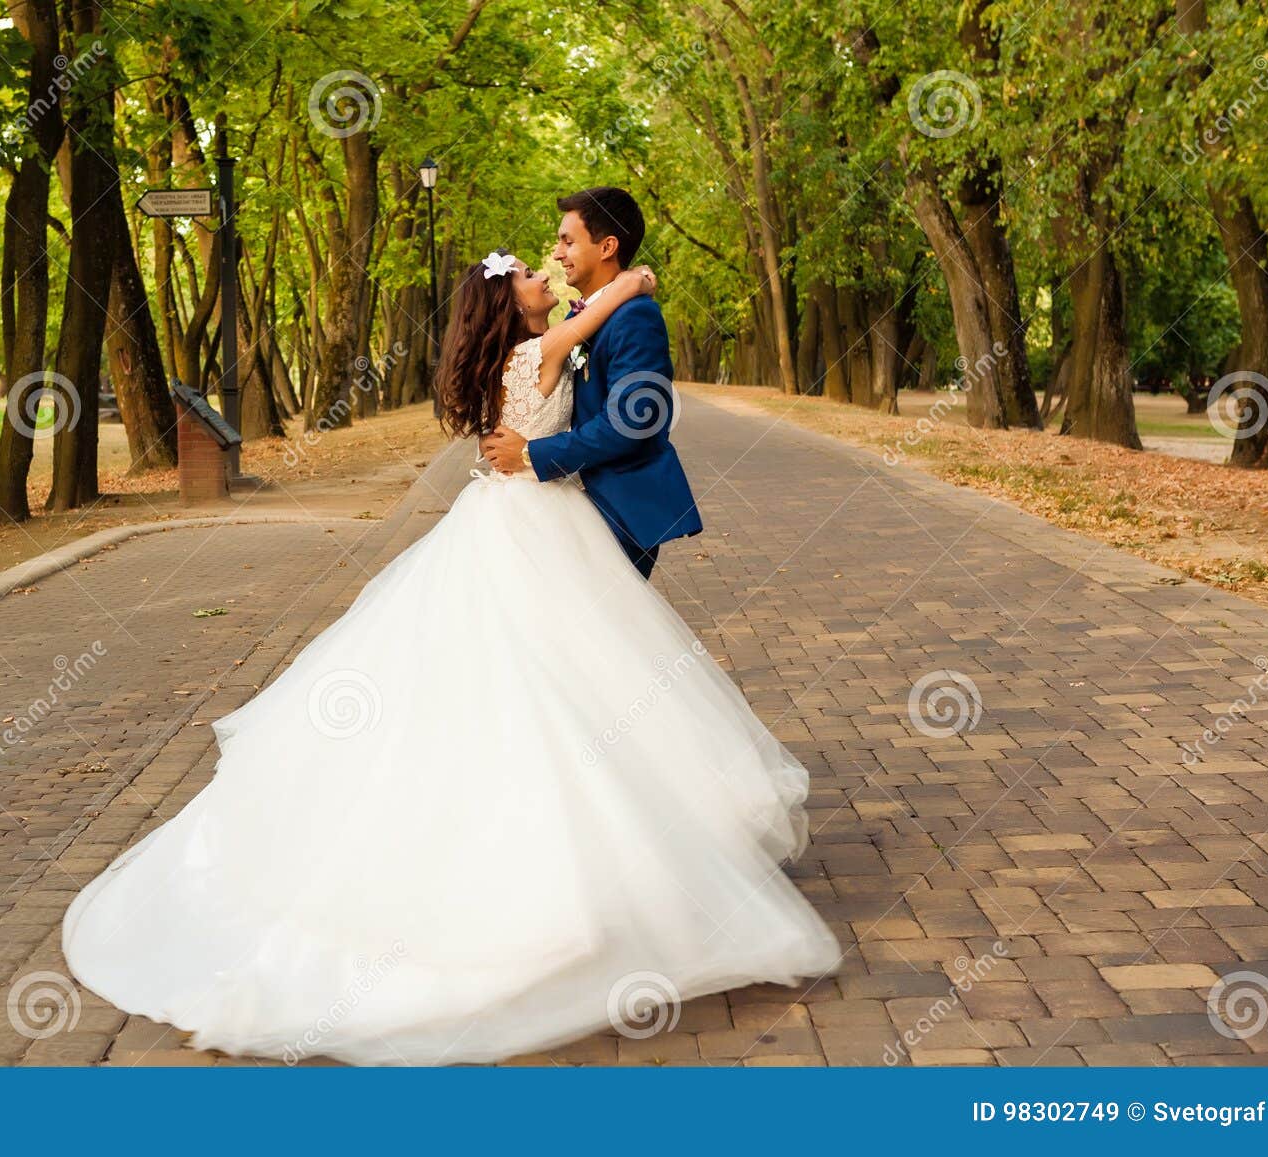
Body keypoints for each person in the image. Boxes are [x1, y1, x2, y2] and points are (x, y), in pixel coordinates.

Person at [60, 233, 840, 1068]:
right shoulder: (539, 350)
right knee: (558, 680)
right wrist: (638, 277)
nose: (544, 272)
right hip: (539, 524)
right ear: (510, 304)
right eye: (529, 276)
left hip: (501, 518)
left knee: (515, 678)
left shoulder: (504, 359)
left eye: (549, 260)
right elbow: (604, 308)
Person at [479, 187, 702, 578]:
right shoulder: (578, 321)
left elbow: (632, 423)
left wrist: (531, 453)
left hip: (617, 509)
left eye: (568, 241)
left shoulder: (636, 317)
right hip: (566, 509)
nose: (556, 254)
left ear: (607, 247)